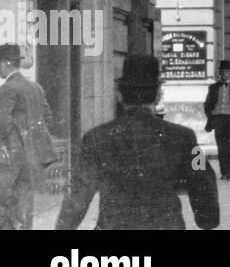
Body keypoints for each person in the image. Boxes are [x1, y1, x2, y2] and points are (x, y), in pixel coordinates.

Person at [56, 54, 219, 231]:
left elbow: (78, 195)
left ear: (119, 94)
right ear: (157, 95)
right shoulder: (184, 137)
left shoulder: (96, 138)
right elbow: (203, 179)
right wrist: (207, 218)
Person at [0, 44, 54, 230]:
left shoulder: (8, 88)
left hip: (13, 157)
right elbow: (48, 118)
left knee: (7, 205)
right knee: (25, 202)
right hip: (34, 157)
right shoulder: (35, 87)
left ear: (7, 63)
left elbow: (2, 124)